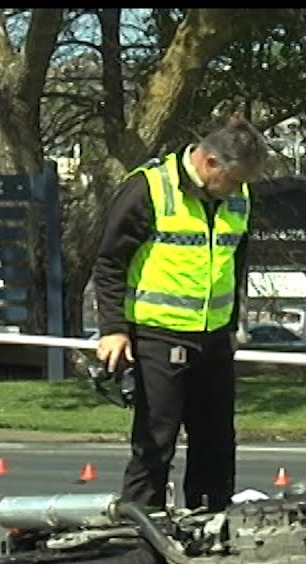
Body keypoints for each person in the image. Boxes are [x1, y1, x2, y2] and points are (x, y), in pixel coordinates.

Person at [92, 116, 269, 513]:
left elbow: (234, 263)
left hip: (214, 338)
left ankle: (210, 527)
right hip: (159, 334)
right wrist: (114, 330)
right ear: (209, 163)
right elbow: (108, 262)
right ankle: (141, 533)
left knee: (217, 444)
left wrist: (232, 326)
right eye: (235, 180)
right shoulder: (149, 188)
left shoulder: (237, 197)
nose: (239, 190)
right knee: (155, 443)